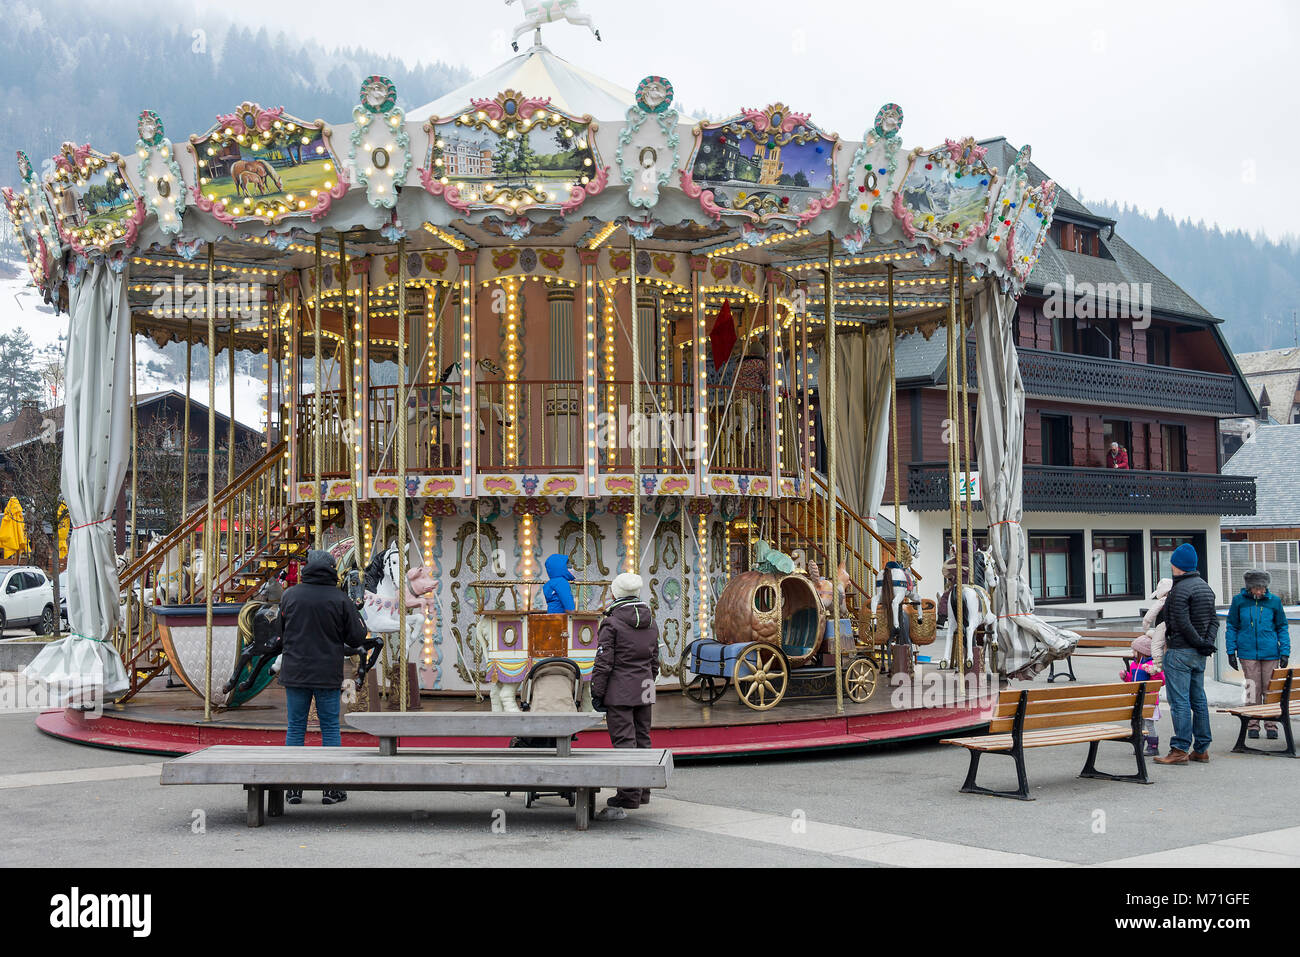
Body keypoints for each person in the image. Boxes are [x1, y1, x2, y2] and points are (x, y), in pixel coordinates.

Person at [278, 549, 369, 805]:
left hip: (295, 671)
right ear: (331, 568)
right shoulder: (339, 599)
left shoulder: (290, 596)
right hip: (327, 673)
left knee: (296, 727)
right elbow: (356, 638)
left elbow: (281, 633)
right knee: (330, 727)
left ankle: (293, 787)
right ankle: (331, 788)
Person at [590, 572, 659, 820]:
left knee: (624, 742)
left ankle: (629, 794)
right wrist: (648, 683)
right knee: (643, 738)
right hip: (645, 686)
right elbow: (654, 660)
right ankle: (643, 791)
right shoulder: (651, 621)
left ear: (615, 594)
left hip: (620, 690)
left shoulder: (612, 622)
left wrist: (597, 692)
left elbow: (604, 661)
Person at [1154, 543, 1218, 765]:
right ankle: (1201, 748)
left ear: (1176, 565)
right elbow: (1214, 621)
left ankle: (1180, 748)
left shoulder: (1179, 590)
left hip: (1180, 651)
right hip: (1199, 654)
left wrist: (1198, 642)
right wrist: (1206, 644)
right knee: (1198, 699)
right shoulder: (1204, 587)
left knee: (1179, 701)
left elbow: (1180, 622)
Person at [1225, 570, 1291, 740]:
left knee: (1270, 688)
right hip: (1247, 652)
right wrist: (1231, 651)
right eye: (1256, 588)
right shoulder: (1239, 601)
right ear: (1249, 587)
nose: (1260, 591)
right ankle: (1252, 723)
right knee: (1252, 688)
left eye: (1262, 588)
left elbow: (1282, 626)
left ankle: (1271, 724)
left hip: (1270, 652)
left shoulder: (1274, 601)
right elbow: (1232, 626)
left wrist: (1284, 651)